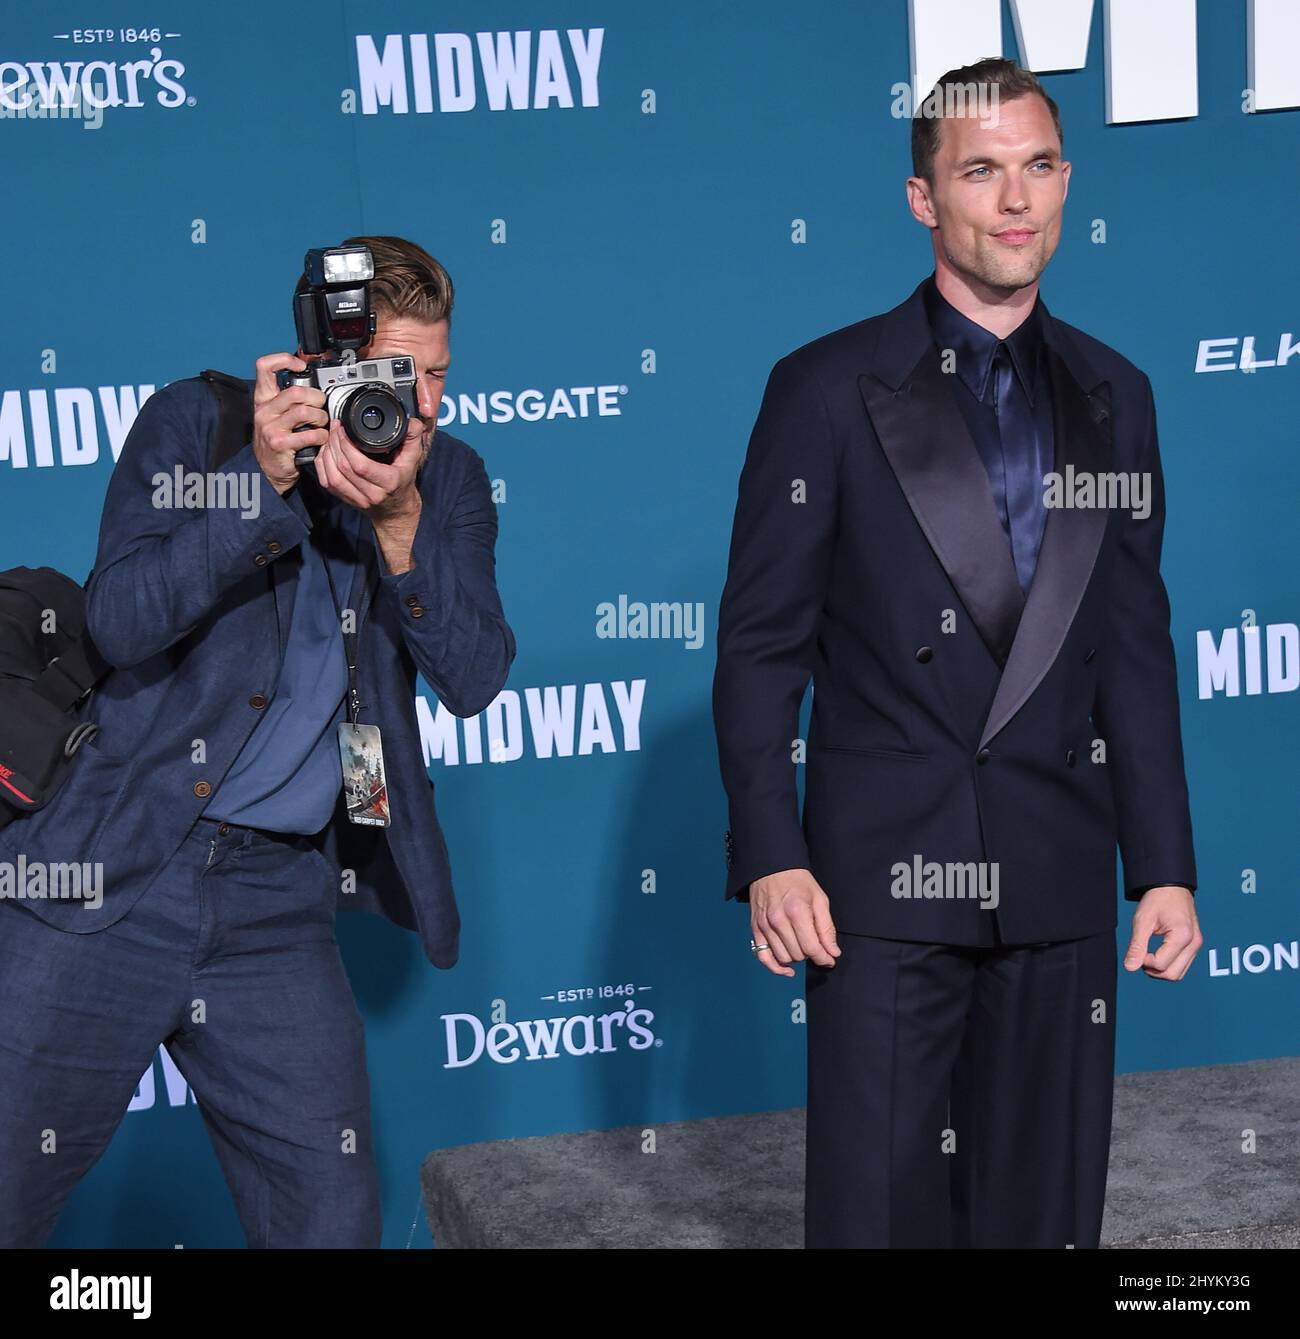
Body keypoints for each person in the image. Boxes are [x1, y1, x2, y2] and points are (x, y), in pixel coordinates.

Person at [712, 60, 1202, 1248]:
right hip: (881, 887)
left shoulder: (1113, 393)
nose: (1015, 200)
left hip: (1058, 868)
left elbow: (1133, 644)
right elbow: (759, 647)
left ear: (1066, 180)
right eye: (981, 172)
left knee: (1044, 1217)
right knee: (878, 1216)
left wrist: (1167, 867)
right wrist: (772, 855)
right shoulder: (826, 388)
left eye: (1037, 167)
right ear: (924, 198)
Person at [0, 234, 514, 1247]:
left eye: (435, 378)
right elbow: (120, 619)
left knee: (329, 1223)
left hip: (280, 903)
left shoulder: (446, 478)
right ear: (324, 357)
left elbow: (476, 673)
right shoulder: (203, 424)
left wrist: (402, 523)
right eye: (390, 377)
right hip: (113, 867)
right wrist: (260, 486)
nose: (411, 407)